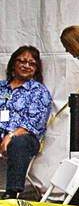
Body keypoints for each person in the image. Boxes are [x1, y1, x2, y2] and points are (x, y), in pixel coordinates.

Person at [0, 47, 53, 196]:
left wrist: (10, 136)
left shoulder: (39, 92)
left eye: (32, 63)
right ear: (13, 64)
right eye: (22, 61)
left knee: (19, 142)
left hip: (24, 138)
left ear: (36, 69)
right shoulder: (1, 87)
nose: (26, 66)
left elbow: (34, 124)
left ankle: (12, 194)